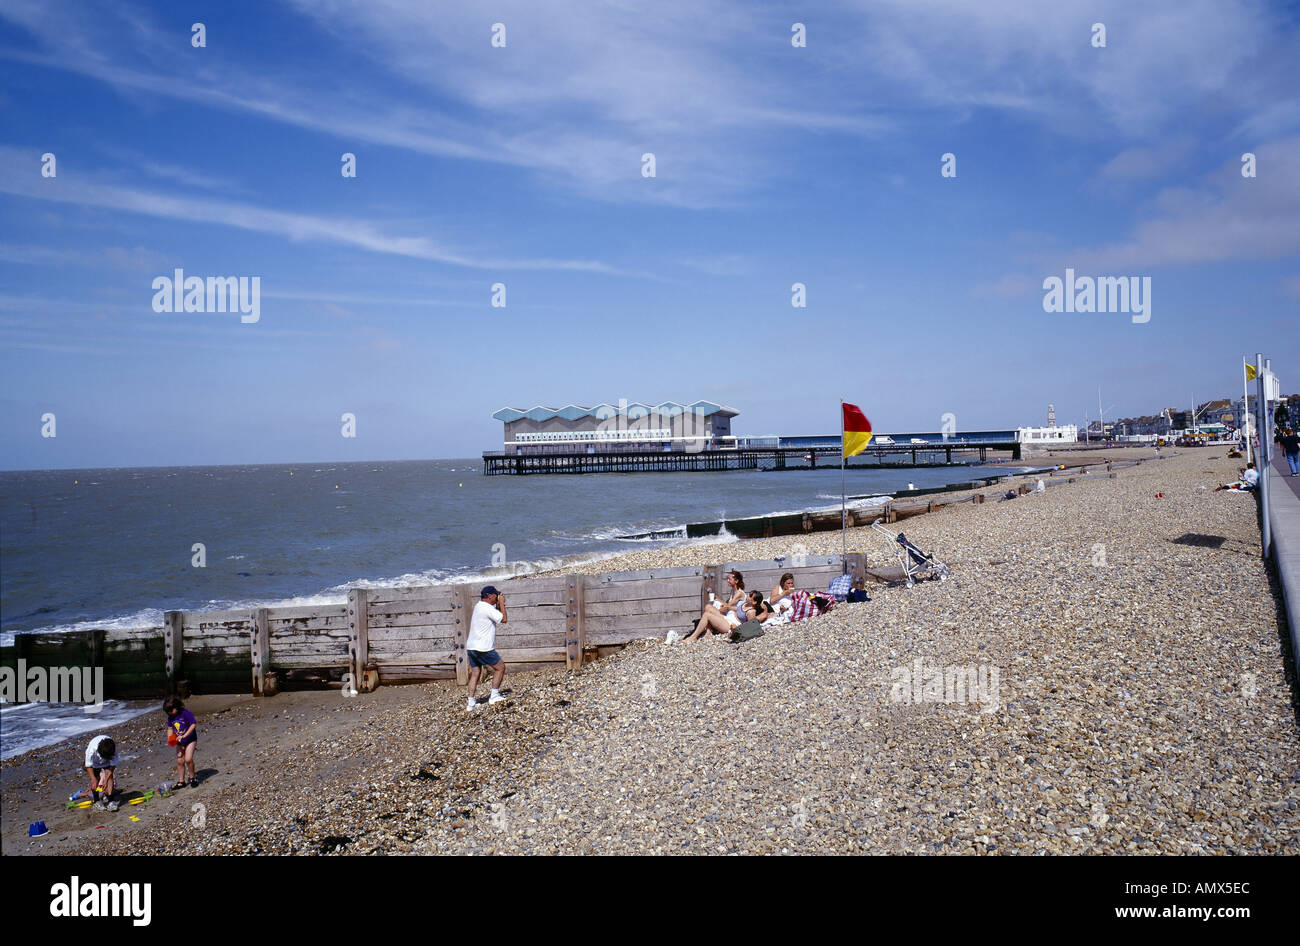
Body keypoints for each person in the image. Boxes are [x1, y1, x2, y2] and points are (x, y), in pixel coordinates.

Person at [466, 585, 508, 711]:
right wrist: (501, 603)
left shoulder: (479, 606)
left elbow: (496, 614)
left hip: (472, 647)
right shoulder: (486, 608)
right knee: (500, 668)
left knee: (475, 673)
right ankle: (494, 695)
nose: (497, 597)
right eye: (495, 595)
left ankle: (471, 703)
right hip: (483, 648)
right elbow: (504, 619)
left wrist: (498, 603)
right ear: (490, 596)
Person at [687, 571, 745, 641]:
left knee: (707, 614)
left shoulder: (739, 593)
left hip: (734, 622)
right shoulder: (733, 591)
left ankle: (693, 637)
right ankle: (709, 631)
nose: (727, 581)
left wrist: (719, 605)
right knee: (708, 607)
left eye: (729, 579)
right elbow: (727, 606)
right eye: (727, 579)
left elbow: (727, 606)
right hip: (729, 617)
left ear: (736, 581)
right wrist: (717, 599)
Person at [165, 695, 199, 788]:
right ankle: (181, 781)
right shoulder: (170, 717)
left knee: (188, 759)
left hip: (190, 739)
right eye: (168, 712)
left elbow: (193, 724)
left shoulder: (185, 713)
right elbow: (170, 728)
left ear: (176, 707)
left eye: (171, 711)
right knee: (180, 760)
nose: (170, 713)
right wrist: (170, 737)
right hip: (179, 741)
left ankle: (192, 778)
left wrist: (184, 735)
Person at [84, 735, 120, 811]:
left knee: (110, 777)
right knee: (96, 779)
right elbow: (88, 765)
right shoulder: (91, 750)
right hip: (95, 762)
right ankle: (97, 802)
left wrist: (106, 780)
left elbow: (111, 769)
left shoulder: (113, 750)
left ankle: (111, 801)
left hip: (108, 760)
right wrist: (93, 778)